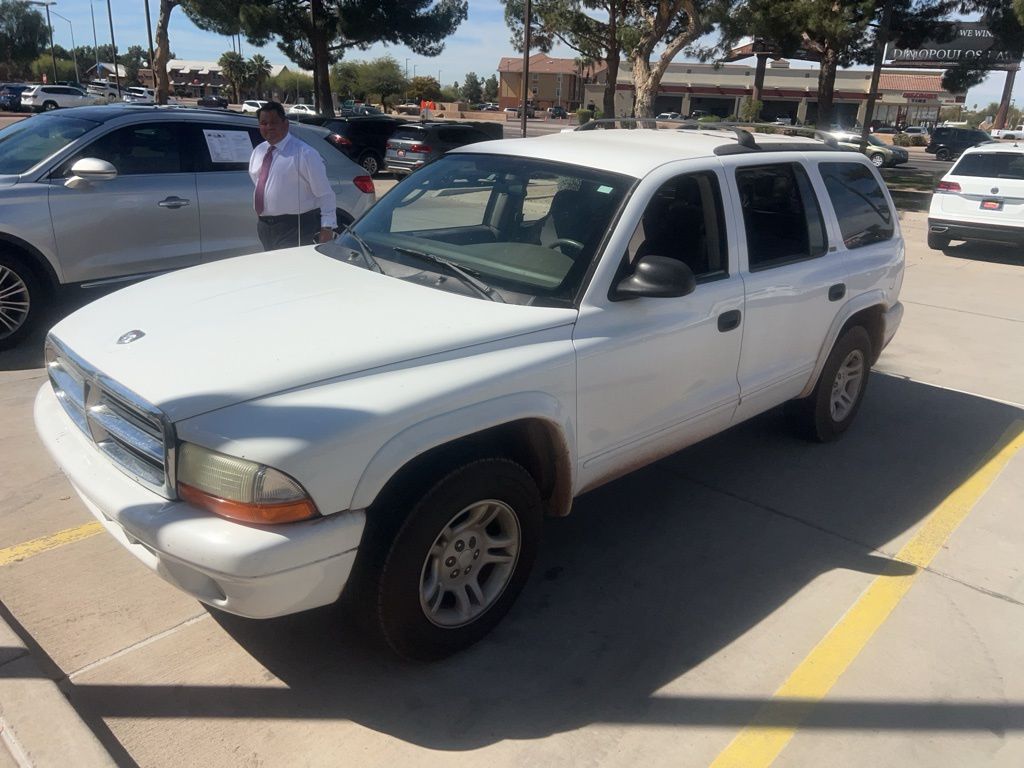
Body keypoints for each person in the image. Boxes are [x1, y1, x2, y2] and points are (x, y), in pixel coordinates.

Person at [249, 101, 336, 251]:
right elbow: (259, 182)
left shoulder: (305, 153)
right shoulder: (259, 151)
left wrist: (327, 228)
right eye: (264, 123)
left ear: (285, 124)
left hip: (296, 227)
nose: (269, 127)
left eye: (274, 122)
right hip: (265, 227)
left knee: (291, 270)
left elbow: (325, 194)